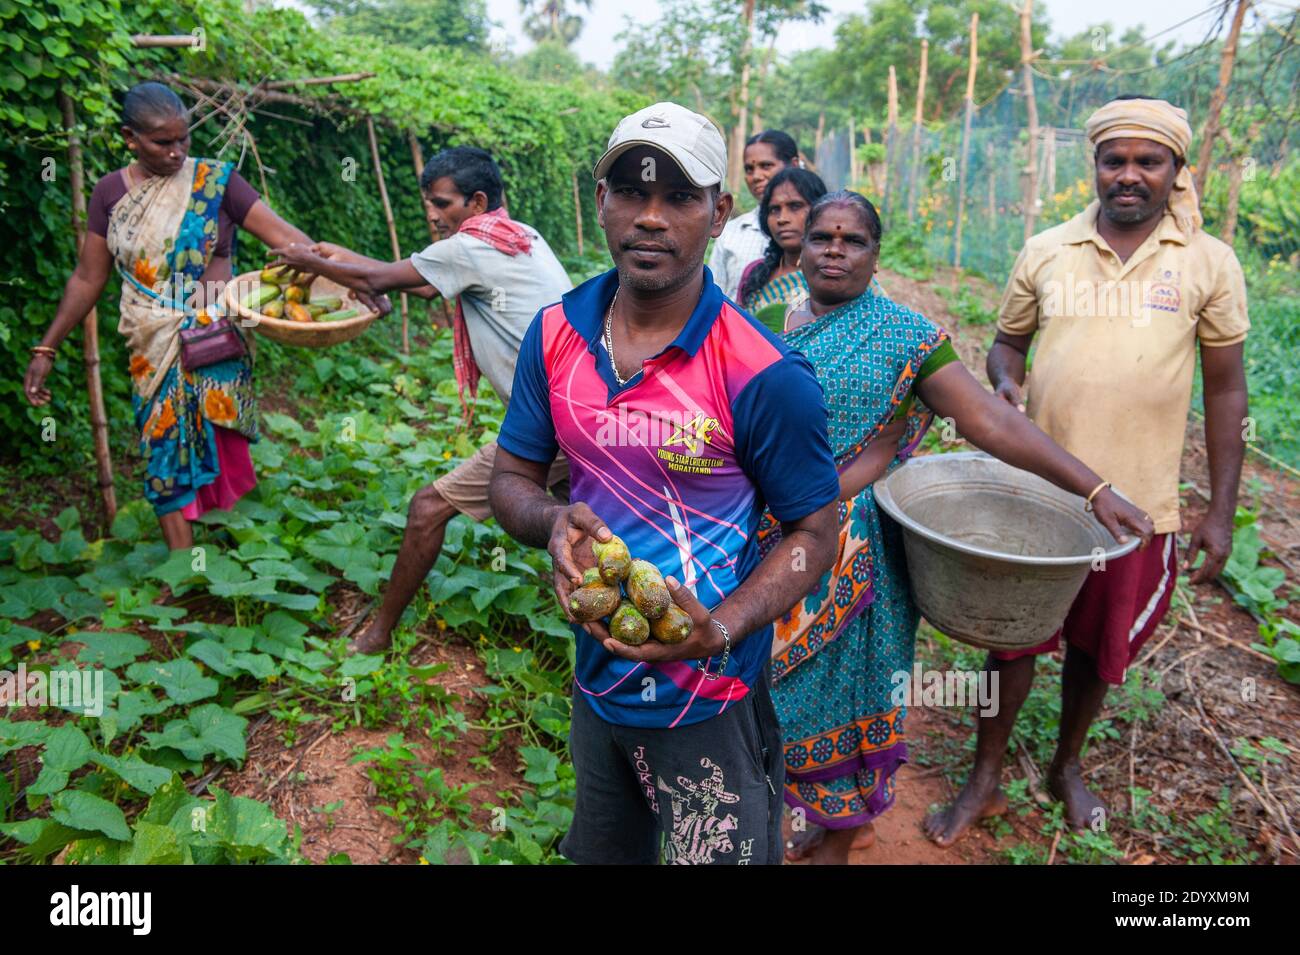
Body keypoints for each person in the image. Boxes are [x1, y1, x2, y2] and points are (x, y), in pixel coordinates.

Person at [488, 102, 843, 865]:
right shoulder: (555, 334)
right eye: (631, 192)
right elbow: (512, 479)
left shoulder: (762, 374)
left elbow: (818, 532)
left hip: (707, 696)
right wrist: (550, 522)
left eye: (678, 198)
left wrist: (719, 625)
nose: (650, 218)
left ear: (718, 213)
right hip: (598, 678)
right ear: (601, 201)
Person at [762, 191, 1154, 864]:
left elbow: (993, 421)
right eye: (821, 235)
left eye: (852, 239)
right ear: (801, 244)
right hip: (770, 541)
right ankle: (806, 809)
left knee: (847, 702)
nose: (833, 248)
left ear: (874, 254)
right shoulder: (766, 322)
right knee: (773, 690)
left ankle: (839, 826)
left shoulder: (907, 336)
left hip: (858, 562)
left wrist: (1093, 487)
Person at [925, 96, 1249, 847]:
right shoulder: (1048, 249)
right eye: (1115, 160)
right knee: (1009, 641)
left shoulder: (1208, 261)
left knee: (1095, 649)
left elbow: (1227, 388)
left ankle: (1066, 764)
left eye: (1148, 161)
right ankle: (985, 775)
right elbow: (1007, 344)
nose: (1129, 175)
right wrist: (1006, 380)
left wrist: (1221, 513)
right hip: (1037, 494)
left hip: (1137, 504)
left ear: (1175, 169)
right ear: (1094, 165)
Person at [270, 146, 573, 654]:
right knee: (582, 522)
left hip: (551, 424)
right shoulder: (519, 236)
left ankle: (377, 634)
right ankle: (614, 636)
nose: (432, 214)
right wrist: (334, 256)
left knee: (427, 508)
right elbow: (409, 278)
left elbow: (379, 279)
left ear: (475, 202)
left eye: (441, 203)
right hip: (581, 410)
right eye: (427, 202)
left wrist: (308, 259)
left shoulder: (468, 249)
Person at [23, 82, 317, 549]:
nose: (177, 152)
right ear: (130, 137)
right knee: (162, 444)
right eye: (163, 143)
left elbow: (288, 240)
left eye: (184, 140)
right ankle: (183, 570)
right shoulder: (110, 194)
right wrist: (47, 346)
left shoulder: (217, 181)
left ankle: (233, 564)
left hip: (213, 340)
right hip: (151, 345)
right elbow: (87, 278)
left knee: (220, 443)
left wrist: (352, 280)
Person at [708, 129, 799, 300]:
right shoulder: (731, 233)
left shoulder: (819, 229)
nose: (756, 176)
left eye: (766, 166)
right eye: (749, 169)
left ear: (793, 165)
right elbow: (715, 298)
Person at [737, 167, 827, 333]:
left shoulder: (837, 273)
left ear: (820, 211)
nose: (782, 219)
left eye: (795, 206)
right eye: (774, 210)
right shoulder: (755, 273)